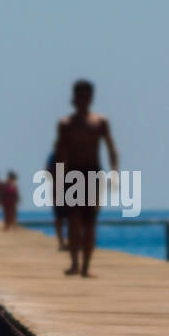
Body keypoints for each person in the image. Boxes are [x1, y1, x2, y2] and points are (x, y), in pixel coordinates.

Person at [53, 78, 118, 276]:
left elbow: (110, 148)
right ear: (74, 97)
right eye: (78, 95)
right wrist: (58, 179)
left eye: (85, 95)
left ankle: (86, 266)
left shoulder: (99, 122)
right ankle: (74, 263)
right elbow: (61, 152)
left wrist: (114, 172)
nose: (82, 99)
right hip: (73, 173)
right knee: (73, 220)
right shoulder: (66, 124)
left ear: (91, 97)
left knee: (90, 222)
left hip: (93, 173)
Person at [47, 150, 67, 250]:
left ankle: (68, 242)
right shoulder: (55, 155)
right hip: (59, 189)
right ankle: (62, 243)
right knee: (59, 217)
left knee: (74, 217)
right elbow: (49, 172)